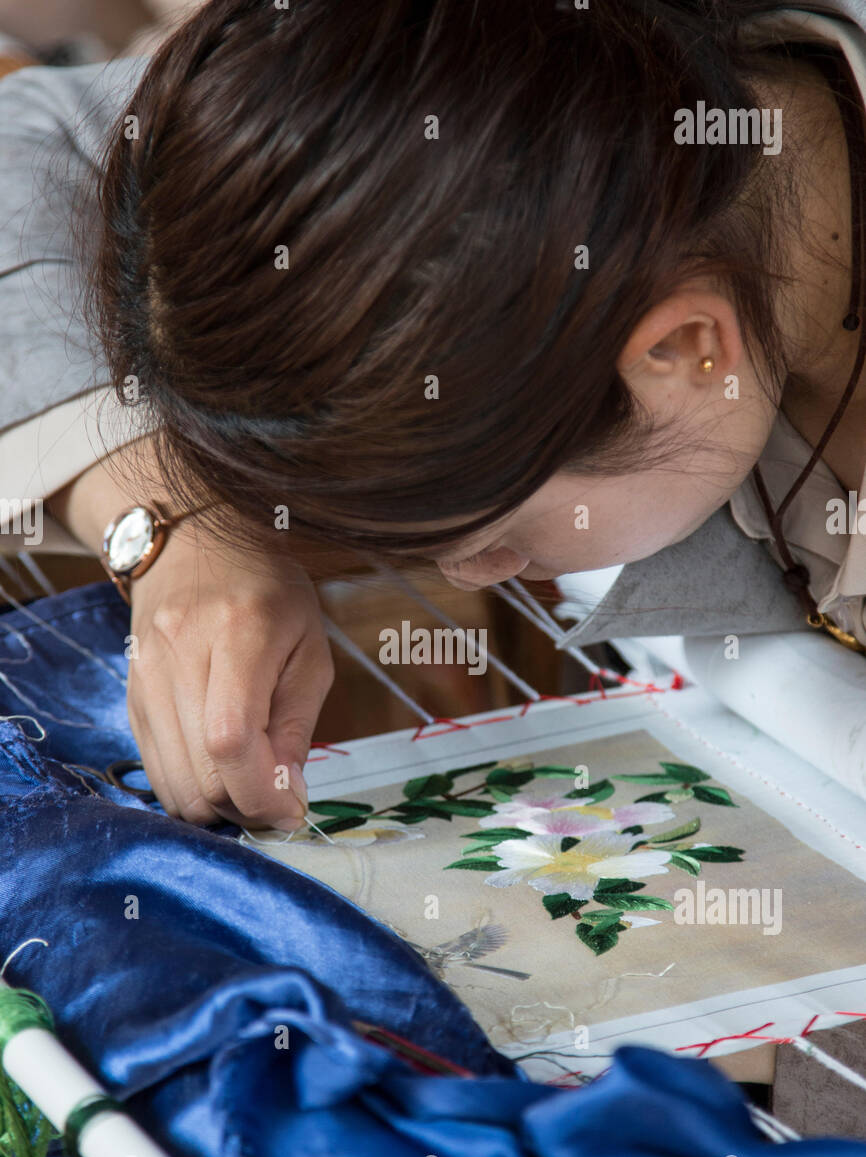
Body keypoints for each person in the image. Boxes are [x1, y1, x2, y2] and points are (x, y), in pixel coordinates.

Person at [2, 0, 866, 832]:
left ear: (683, 351)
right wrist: (170, 528)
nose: (474, 576)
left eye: (496, 529)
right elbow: (25, 140)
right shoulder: (499, 73)